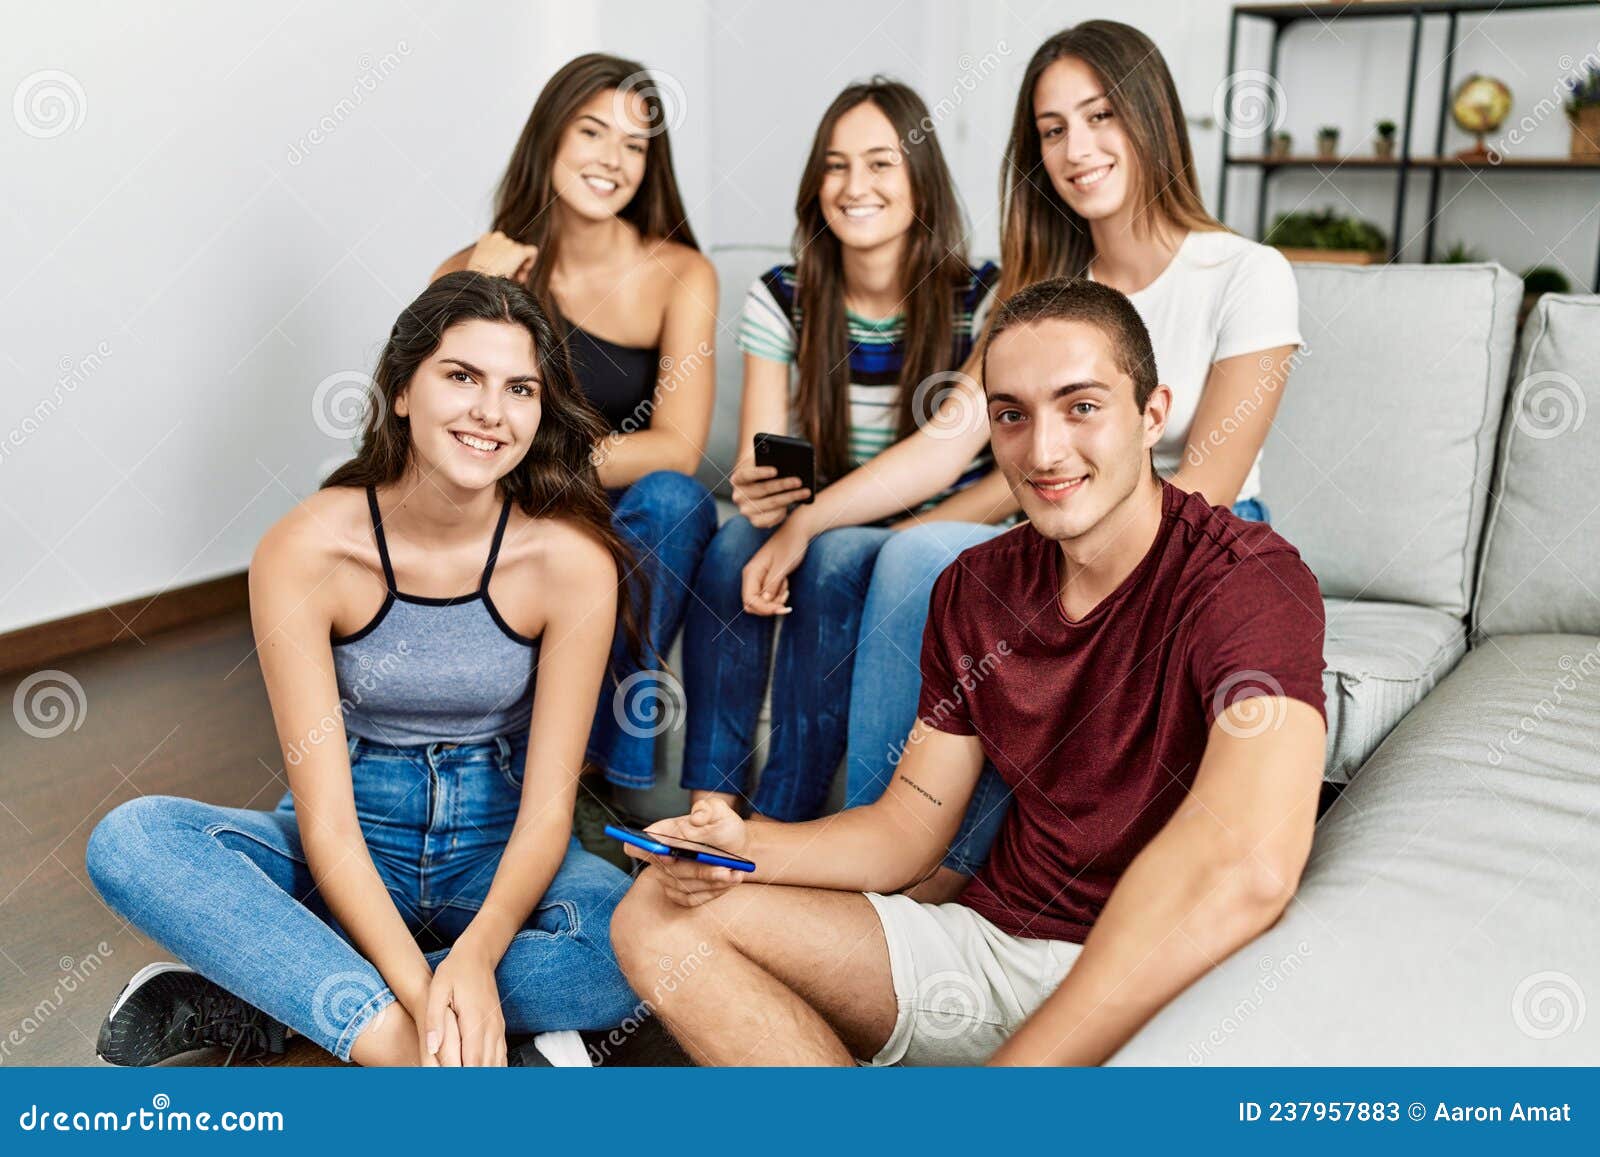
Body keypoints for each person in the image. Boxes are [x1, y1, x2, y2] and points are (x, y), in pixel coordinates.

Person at [609, 277, 1328, 1067]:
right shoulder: (977, 584)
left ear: (1152, 413)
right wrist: (743, 844)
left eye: (1081, 405)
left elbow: (1249, 863)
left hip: (1140, 981)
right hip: (986, 950)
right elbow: (906, 831)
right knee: (653, 915)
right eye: (1013, 415)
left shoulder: (1247, 578)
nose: (1044, 450)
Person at [87, 273, 640, 1066]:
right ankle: (417, 1047)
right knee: (131, 839)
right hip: (346, 838)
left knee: (625, 945)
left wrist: (480, 956)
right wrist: (419, 1001)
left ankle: (278, 993)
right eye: (462, 376)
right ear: (403, 390)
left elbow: (550, 814)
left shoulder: (572, 562)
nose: (492, 411)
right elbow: (328, 826)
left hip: (499, 843)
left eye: (520, 388)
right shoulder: (307, 548)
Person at [833, 21, 1306, 896]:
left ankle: (919, 876)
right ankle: (876, 851)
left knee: (927, 561)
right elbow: (956, 442)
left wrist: (1046, 552)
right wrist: (810, 521)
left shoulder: (1246, 273)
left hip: (1197, 533)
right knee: (880, 552)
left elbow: (1207, 477)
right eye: (1052, 130)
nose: (1077, 149)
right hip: (1060, 523)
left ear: (1151, 118)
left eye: (1099, 117)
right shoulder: (1042, 294)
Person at [679, 78, 998, 822]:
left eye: (881, 163)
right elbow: (775, 455)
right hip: (829, 511)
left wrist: (827, 526)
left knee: (831, 555)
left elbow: (1000, 479)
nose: (855, 186)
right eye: (835, 164)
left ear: (923, 180)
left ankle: (781, 819)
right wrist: (764, 488)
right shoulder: (784, 294)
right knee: (729, 551)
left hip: (933, 518)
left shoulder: (982, 296)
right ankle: (708, 809)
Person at [431, 53, 718, 858]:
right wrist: (471, 293)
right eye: (592, 131)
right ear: (549, 141)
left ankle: (594, 777)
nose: (612, 159)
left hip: (607, 508)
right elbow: (422, 417)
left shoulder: (679, 274)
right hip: (506, 510)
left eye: (635, 144)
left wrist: (544, 462)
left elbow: (678, 447)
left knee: (676, 500)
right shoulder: (475, 265)